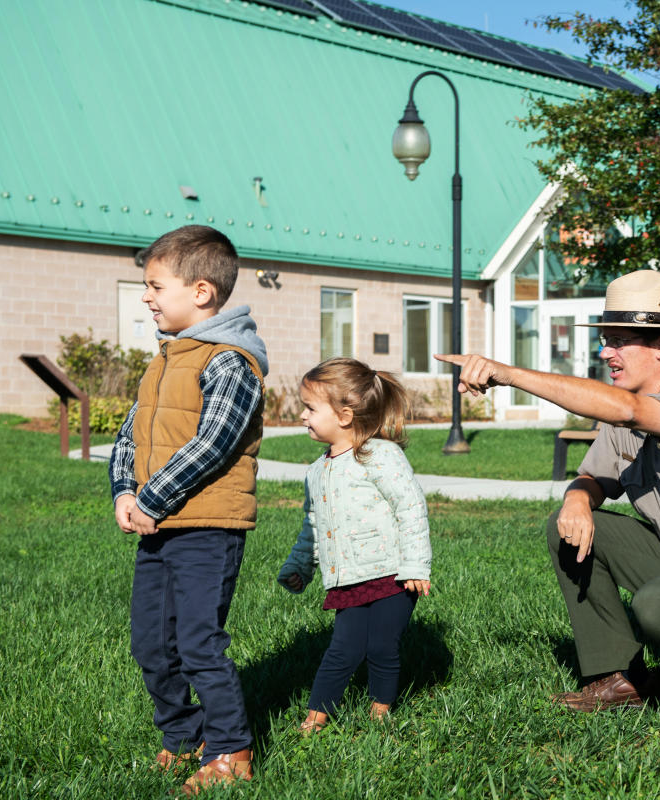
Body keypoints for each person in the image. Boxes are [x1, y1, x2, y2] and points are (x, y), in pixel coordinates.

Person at [436, 270, 660, 717]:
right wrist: (576, 500)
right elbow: (594, 477)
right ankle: (618, 677)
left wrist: (510, 375)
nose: (605, 352)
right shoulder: (619, 420)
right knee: (565, 527)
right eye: (605, 339)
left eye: (619, 340)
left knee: (657, 606)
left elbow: (633, 412)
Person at [109, 225, 268, 794]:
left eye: (155, 285)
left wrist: (152, 498)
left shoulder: (231, 361)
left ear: (201, 291)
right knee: (151, 642)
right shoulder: (164, 359)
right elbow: (129, 435)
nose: (147, 296)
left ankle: (230, 748)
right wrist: (126, 492)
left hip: (206, 525)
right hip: (158, 524)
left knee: (199, 641)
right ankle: (182, 734)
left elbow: (213, 444)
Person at [277, 358, 431, 734]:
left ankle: (380, 710)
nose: (302, 415)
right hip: (347, 577)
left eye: (311, 408)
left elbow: (410, 508)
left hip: (393, 574)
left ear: (344, 415)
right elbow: (313, 525)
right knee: (342, 649)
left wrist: (415, 567)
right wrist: (300, 567)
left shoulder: (380, 455)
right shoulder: (317, 470)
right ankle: (316, 717)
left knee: (381, 646)